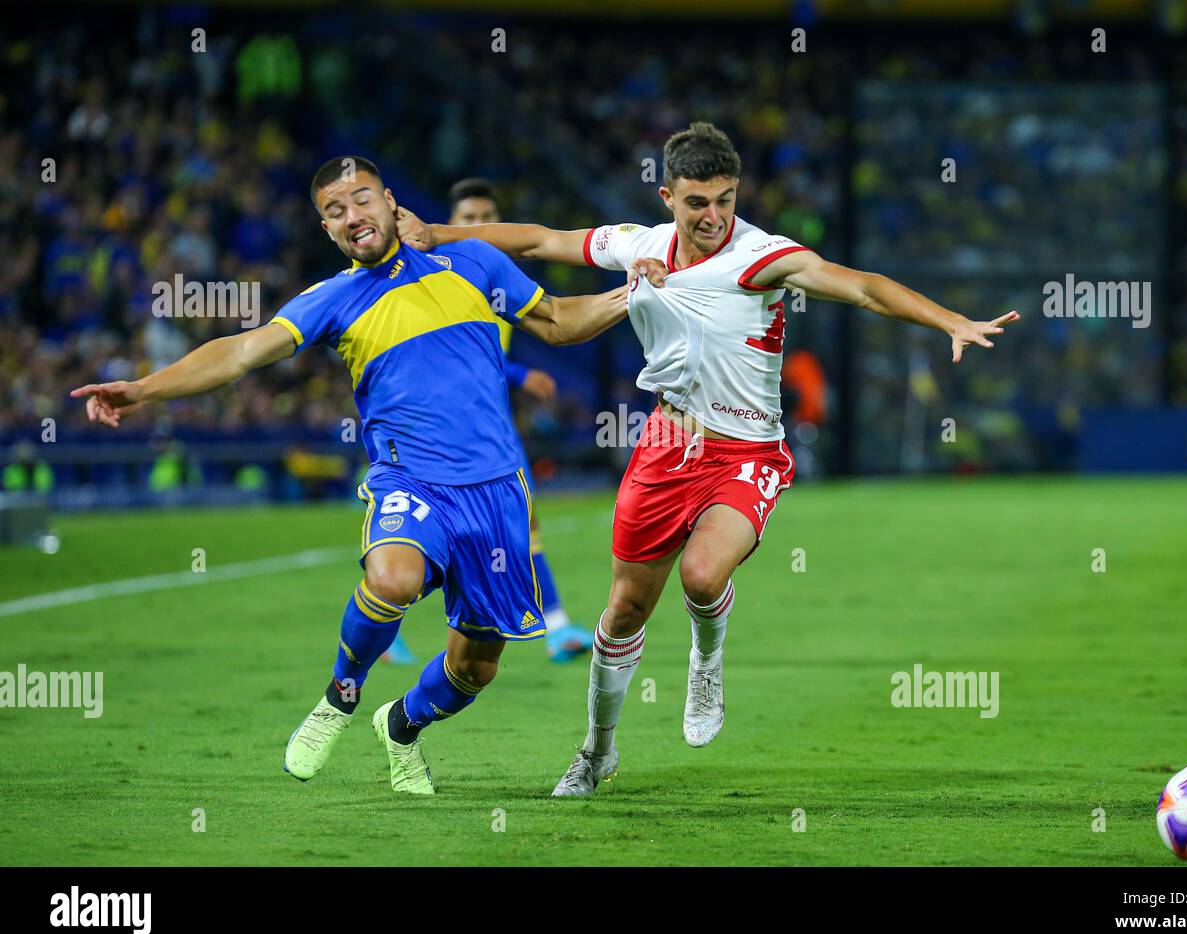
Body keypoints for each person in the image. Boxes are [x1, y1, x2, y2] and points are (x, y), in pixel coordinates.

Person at [398, 122, 1017, 796]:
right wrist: (437, 235)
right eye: (699, 202)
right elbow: (542, 239)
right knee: (624, 611)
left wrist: (950, 320)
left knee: (701, 574)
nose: (715, 215)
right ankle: (597, 752)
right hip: (665, 445)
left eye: (725, 198)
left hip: (746, 451)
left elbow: (863, 286)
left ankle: (707, 660)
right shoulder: (638, 247)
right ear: (668, 196)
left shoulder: (762, 257)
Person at [71, 156, 629, 794]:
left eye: (360, 200)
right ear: (327, 231)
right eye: (333, 212)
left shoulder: (474, 262)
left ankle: (401, 727)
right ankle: (340, 695)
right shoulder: (333, 299)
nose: (351, 217)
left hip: (496, 489)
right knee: (391, 578)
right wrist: (142, 389)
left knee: (475, 668)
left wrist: (634, 291)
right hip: (411, 480)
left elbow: (559, 320)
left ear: (391, 201)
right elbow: (241, 351)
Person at [383, 177, 593, 667]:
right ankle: (387, 624)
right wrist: (521, 374)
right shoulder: (429, 277)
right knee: (425, 532)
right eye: (470, 220)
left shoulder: (490, 273)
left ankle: (556, 626)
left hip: (487, 423)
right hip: (430, 428)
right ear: (445, 227)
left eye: (488, 220)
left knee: (519, 519)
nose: (480, 228)